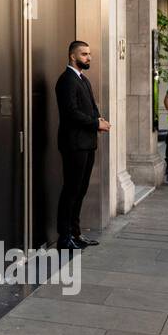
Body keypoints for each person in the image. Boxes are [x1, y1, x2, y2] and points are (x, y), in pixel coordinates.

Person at [55, 40, 110, 250]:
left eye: (89, 54)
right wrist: (96, 123)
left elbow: (90, 107)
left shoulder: (83, 79)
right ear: (72, 56)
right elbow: (70, 113)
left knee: (81, 190)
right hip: (73, 144)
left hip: (87, 143)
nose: (89, 57)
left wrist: (99, 120)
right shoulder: (67, 80)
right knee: (71, 190)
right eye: (85, 54)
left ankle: (76, 234)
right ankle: (64, 237)